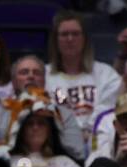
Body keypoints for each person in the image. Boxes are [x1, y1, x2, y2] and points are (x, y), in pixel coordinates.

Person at [0, 55, 86, 163]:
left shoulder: (63, 114)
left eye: (36, 73)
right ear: (14, 82)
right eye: (24, 72)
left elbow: (77, 152)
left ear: (44, 81)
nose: (31, 76)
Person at [45, 11, 122, 151]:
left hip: (99, 141)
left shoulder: (106, 74)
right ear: (55, 40)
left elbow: (109, 109)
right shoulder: (44, 76)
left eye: (75, 34)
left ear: (85, 38)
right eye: (64, 34)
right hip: (57, 144)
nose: (70, 39)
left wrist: (89, 130)